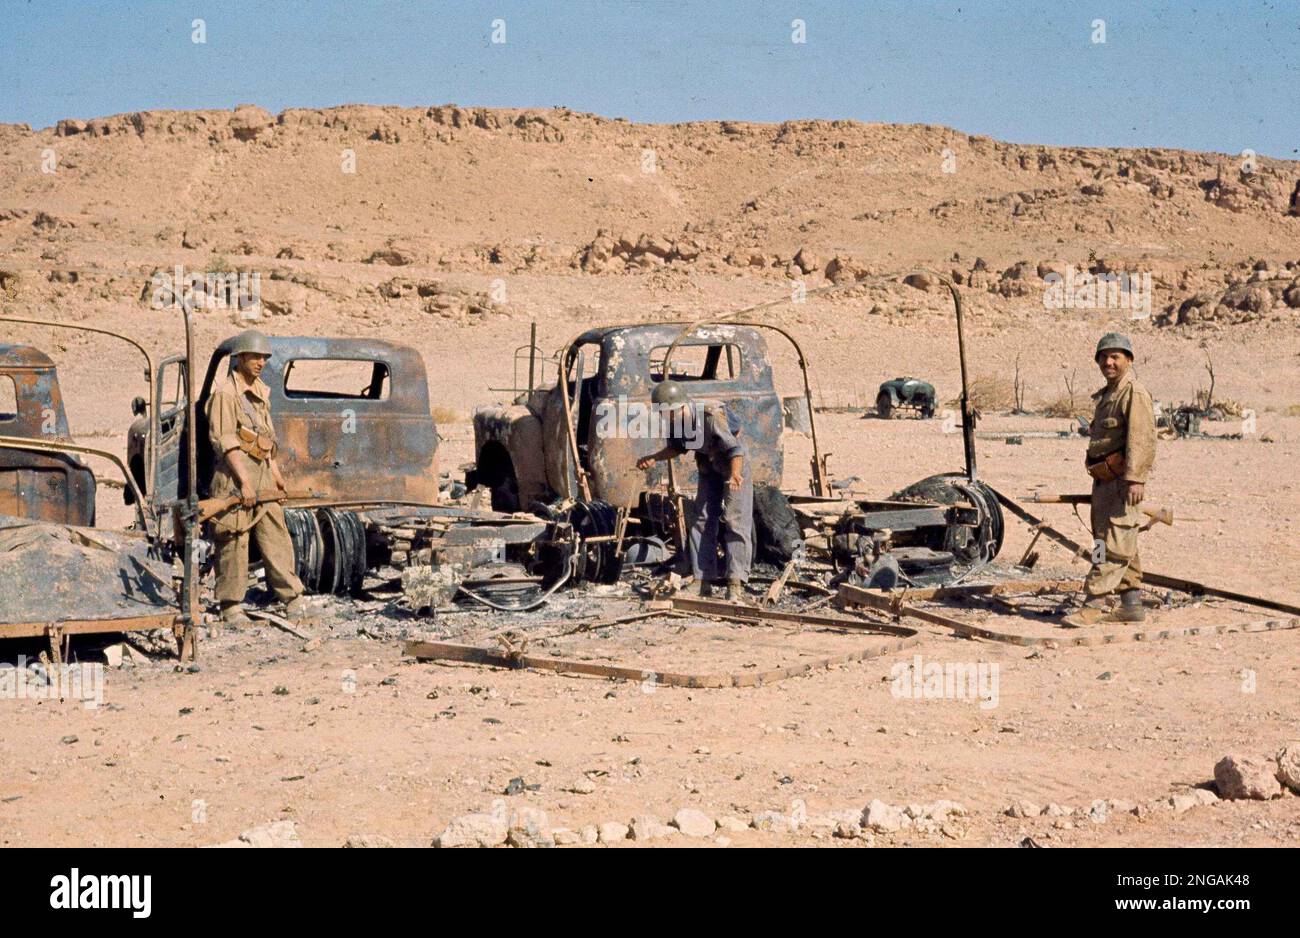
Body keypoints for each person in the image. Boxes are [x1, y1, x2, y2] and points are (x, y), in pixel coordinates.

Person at [206, 329, 306, 625]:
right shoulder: (226, 394)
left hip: (261, 473)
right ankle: (231, 605)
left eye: (264, 357)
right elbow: (225, 441)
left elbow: (266, 438)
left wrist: (275, 475)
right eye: (255, 356)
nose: (261, 362)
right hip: (234, 476)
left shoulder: (261, 391)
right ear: (240, 358)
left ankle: (292, 597)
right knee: (234, 538)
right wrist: (244, 481)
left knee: (275, 534)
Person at [1066, 332, 1156, 626]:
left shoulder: (1134, 393)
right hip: (1104, 483)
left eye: (1116, 356)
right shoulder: (1108, 395)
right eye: (1104, 357)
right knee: (1108, 541)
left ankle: (1092, 605)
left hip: (1122, 484)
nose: (1109, 362)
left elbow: (1142, 439)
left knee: (1115, 542)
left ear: (1129, 360)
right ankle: (1131, 604)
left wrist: (1135, 479)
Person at [636, 380, 753, 601]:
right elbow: (677, 447)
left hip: (732, 463)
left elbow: (735, 449)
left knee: (735, 519)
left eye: (668, 412)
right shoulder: (674, 421)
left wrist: (735, 475)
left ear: (681, 407)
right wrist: (653, 458)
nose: (665, 417)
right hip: (708, 464)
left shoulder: (710, 416)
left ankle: (735, 583)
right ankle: (702, 581)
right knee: (701, 519)